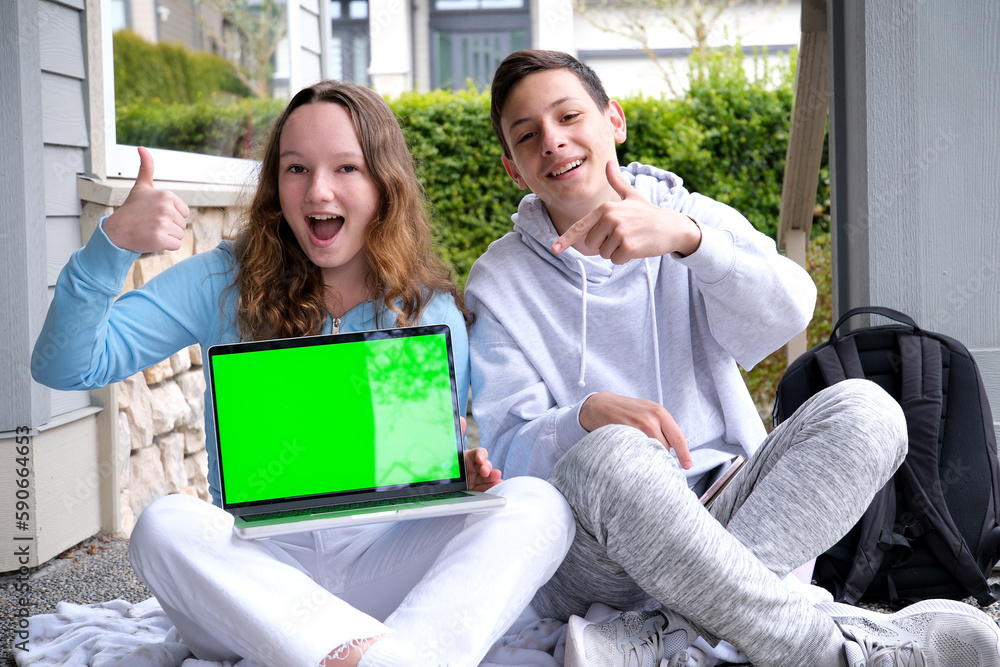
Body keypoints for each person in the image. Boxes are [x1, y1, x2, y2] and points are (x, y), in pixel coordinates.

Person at [465, 49, 1000, 667]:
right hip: (591, 548)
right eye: (527, 136)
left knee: (870, 410)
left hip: (728, 508)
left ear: (614, 120)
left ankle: (666, 632)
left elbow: (790, 310)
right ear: (513, 168)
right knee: (614, 453)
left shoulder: (688, 215)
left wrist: (690, 242)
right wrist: (583, 416)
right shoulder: (498, 282)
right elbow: (508, 452)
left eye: (568, 117)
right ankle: (825, 648)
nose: (552, 142)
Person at [31, 80, 575, 667]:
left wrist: (456, 476)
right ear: (276, 184)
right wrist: (112, 245)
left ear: (383, 184)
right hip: (254, 582)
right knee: (164, 523)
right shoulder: (221, 281)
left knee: (538, 503)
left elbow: (421, 463)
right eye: (297, 169)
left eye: (346, 168)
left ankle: (373, 656)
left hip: (383, 573)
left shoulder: (430, 309)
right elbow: (66, 364)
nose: (318, 189)